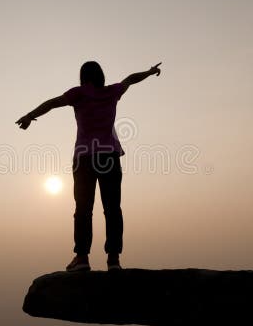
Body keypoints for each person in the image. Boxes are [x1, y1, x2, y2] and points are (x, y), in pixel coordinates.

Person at [15, 61, 162, 272]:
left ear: (83, 76)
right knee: (112, 208)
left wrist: (30, 116)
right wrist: (149, 72)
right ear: (101, 75)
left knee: (83, 209)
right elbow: (130, 79)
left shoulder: (79, 93)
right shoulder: (112, 92)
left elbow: (52, 103)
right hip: (109, 156)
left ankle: (82, 258)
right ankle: (113, 260)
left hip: (85, 157)